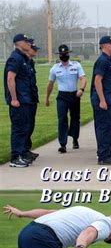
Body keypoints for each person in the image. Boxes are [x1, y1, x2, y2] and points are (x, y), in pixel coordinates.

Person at [4, 34, 38, 168]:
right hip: (19, 100)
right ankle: (15, 157)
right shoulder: (15, 58)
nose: (28, 44)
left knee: (25, 128)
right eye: (25, 41)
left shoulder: (23, 58)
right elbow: (10, 79)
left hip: (26, 99)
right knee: (19, 128)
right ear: (18, 43)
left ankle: (22, 153)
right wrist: (13, 98)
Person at [45, 44, 87, 153]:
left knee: (75, 118)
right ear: (59, 55)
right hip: (62, 96)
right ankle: (62, 144)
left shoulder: (76, 65)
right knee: (62, 119)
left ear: (69, 54)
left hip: (74, 95)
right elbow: (50, 84)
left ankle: (75, 138)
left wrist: (81, 89)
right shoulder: (54, 68)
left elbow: (83, 78)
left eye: (65, 53)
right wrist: (47, 98)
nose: (64, 55)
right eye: (62, 54)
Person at [91, 35, 111, 165]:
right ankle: (103, 156)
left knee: (109, 128)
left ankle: (107, 153)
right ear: (105, 45)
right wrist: (102, 100)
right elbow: (98, 80)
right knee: (103, 128)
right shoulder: (102, 60)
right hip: (104, 100)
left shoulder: (109, 60)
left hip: (110, 99)